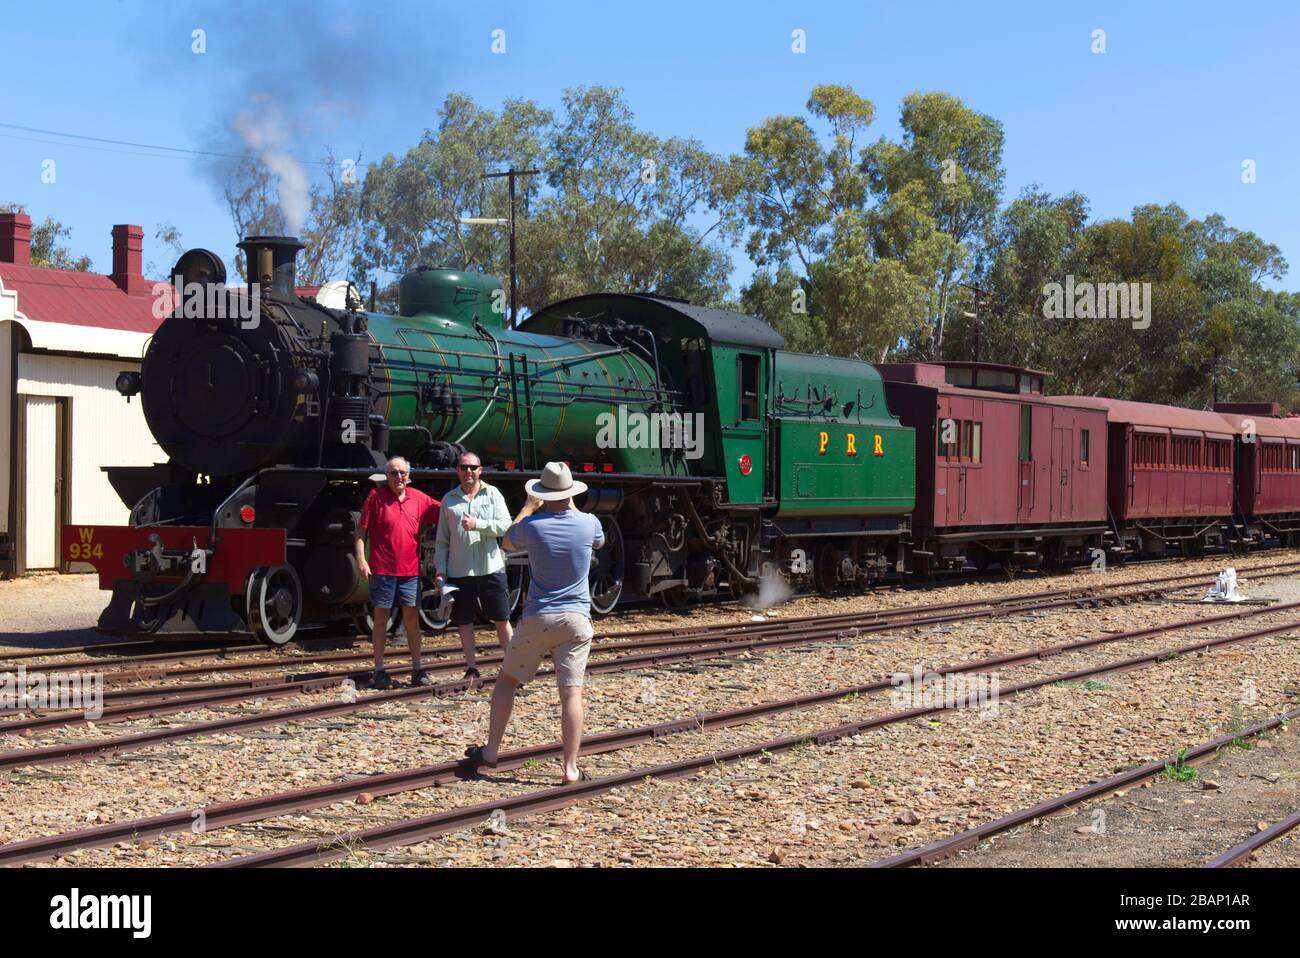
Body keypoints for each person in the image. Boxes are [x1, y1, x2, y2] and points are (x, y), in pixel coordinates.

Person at [465, 461, 605, 785]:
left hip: (539, 617)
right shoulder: (589, 523)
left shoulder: (534, 525)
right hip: (576, 621)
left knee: (506, 682)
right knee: (571, 693)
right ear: (571, 492)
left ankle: (491, 752)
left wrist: (528, 507)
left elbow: (507, 541)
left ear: (542, 495)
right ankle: (570, 769)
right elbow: (598, 542)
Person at [355, 456, 441, 689]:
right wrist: (361, 559)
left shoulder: (419, 499)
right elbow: (360, 532)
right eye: (393, 473)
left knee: (412, 618)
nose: (399, 477)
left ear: (409, 476)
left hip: (409, 571)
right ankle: (379, 668)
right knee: (381, 619)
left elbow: (445, 512)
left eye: (402, 473)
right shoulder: (376, 498)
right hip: (382, 568)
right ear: (387, 476)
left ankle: (417, 668)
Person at [434, 450, 514, 678]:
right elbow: (442, 541)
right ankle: (471, 668)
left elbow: (506, 526)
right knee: (464, 621)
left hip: (491, 567)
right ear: (457, 470)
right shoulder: (449, 500)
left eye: (472, 467)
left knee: (501, 618)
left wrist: (478, 524)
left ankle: (512, 669)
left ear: (480, 470)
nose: (468, 471)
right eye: (463, 467)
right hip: (461, 569)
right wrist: (440, 570)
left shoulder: (493, 494)